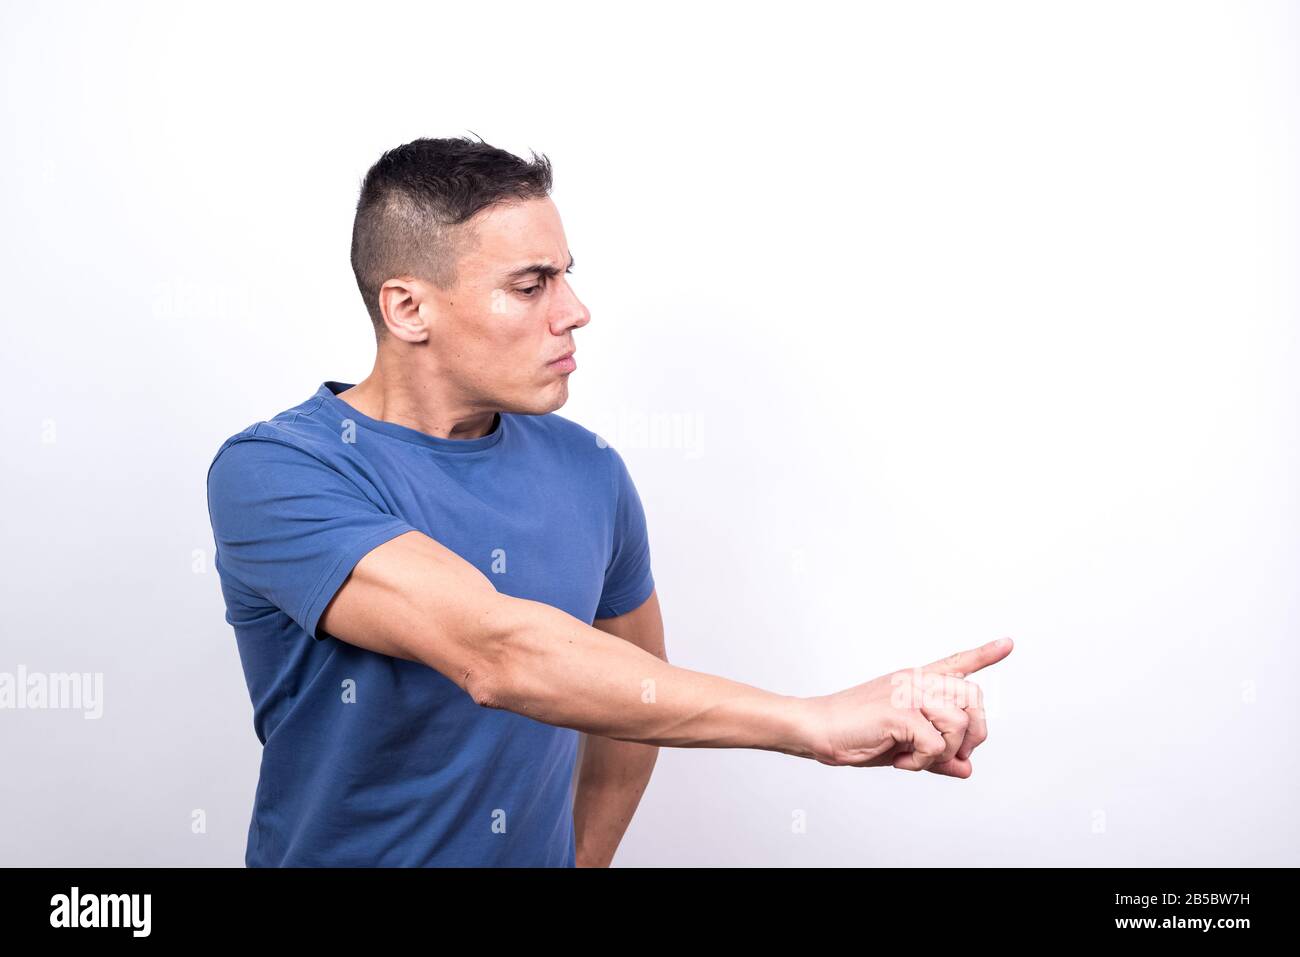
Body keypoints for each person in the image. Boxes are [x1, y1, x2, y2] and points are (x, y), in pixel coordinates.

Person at [205, 135, 1014, 867]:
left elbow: (634, 690)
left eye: (566, 275)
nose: (575, 310)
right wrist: (813, 722)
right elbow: (499, 653)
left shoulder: (589, 469)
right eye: (531, 285)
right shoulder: (278, 471)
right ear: (408, 308)